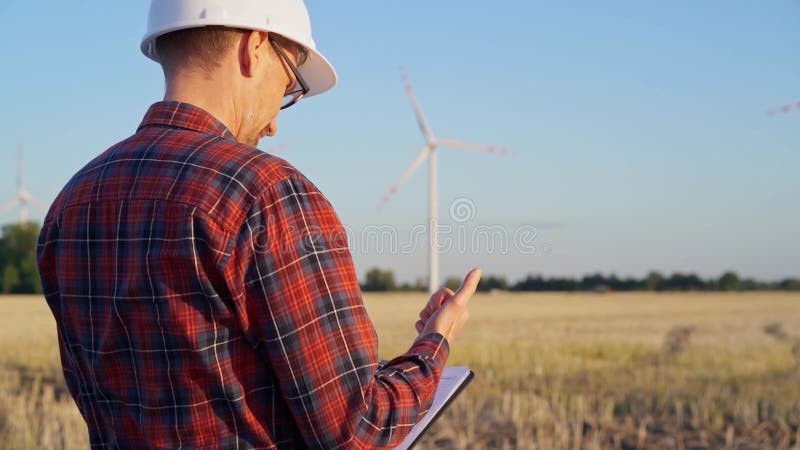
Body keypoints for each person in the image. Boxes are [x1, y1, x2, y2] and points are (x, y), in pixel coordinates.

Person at [36, 1, 482, 448]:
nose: (273, 124)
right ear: (254, 48)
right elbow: (357, 432)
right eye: (288, 86)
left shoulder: (72, 202)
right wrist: (434, 344)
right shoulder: (266, 193)